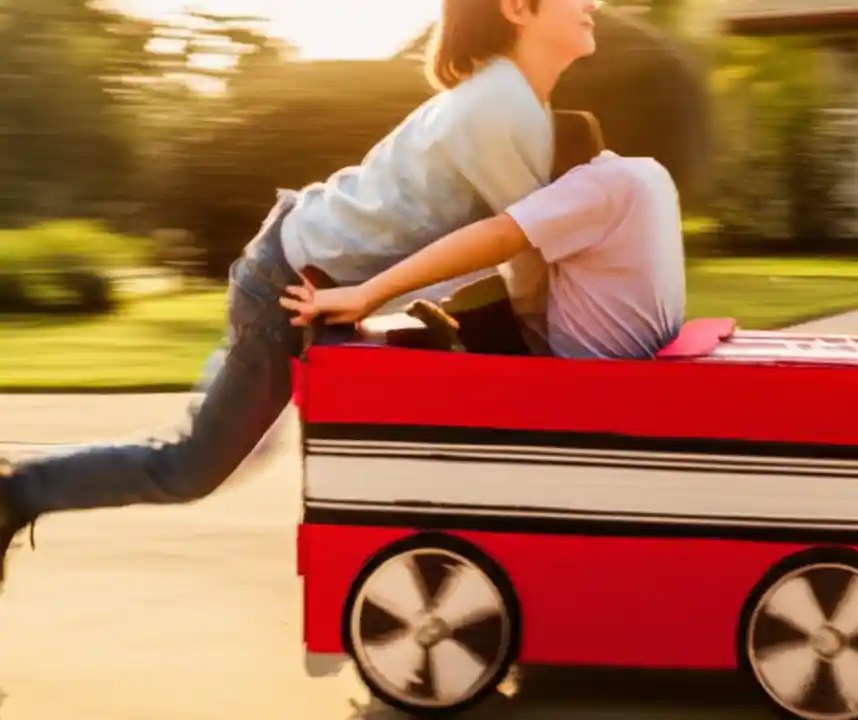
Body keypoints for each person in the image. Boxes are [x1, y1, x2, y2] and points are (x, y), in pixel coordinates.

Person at [0, 0, 601, 591]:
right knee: (190, 466)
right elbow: (527, 252)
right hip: (289, 288)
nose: (591, 4)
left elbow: (524, 251)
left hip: (306, 277)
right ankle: (14, 491)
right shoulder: (499, 105)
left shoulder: (511, 98)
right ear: (518, 9)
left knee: (256, 450)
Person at [279, 112, 685, 361]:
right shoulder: (644, 173)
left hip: (571, 367)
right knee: (484, 279)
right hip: (598, 343)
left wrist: (368, 293)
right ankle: (385, 315)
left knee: (485, 269)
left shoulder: (596, 188)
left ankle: (359, 311)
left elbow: (497, 236)